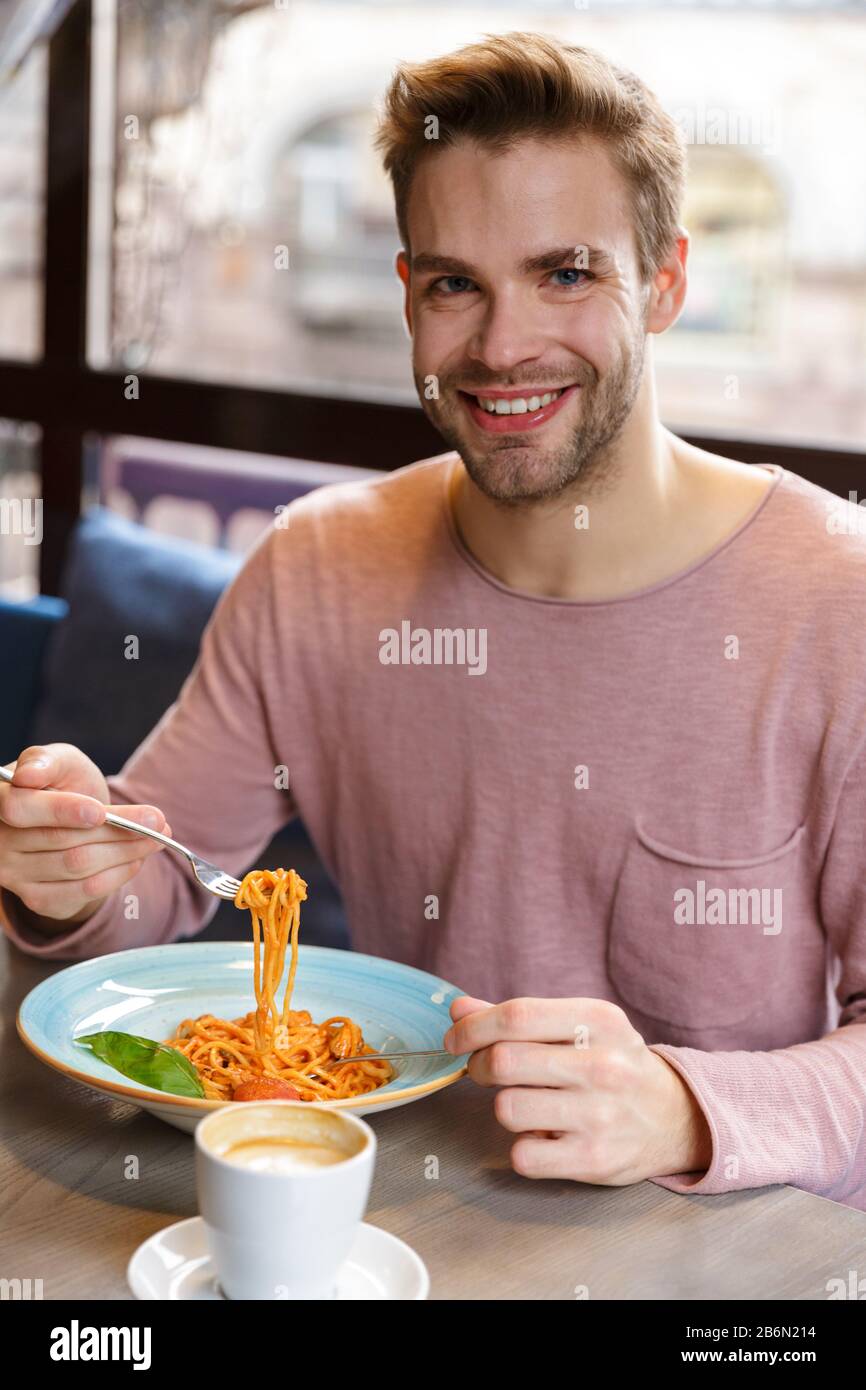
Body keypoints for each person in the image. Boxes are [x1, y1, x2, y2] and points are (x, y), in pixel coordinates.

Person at [2, 33, 865, 1210]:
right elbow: (151, 901)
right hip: (382, 1231)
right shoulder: (317, 564)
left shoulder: (839, 598)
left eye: (564, 272)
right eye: (457, 282)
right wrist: (70, 878)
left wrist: (683, 1103)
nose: (503, 346)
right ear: (409, 294)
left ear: (664, 281)